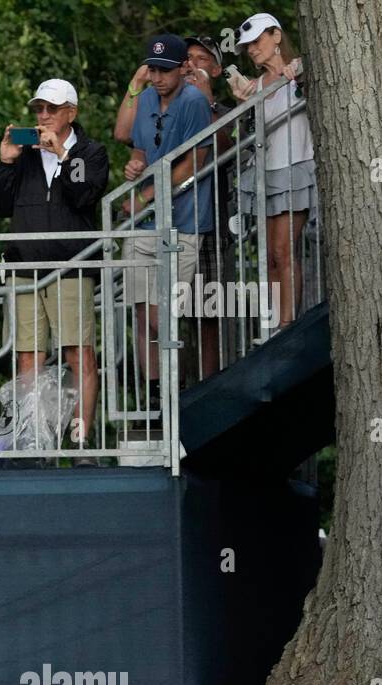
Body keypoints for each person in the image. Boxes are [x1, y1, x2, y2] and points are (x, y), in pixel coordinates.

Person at [0, 80, 110, 455]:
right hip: (25, 265)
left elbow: (85, 195)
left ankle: (80, 440)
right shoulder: (24, 154)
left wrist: (63, 157)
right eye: (39, 109)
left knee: (79, 353)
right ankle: (31, 441)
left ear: (71, 112)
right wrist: (5, 161)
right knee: (28, 356)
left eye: (51, 109)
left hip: (71, 266)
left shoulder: (91, 152)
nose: (43, 116)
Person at [119, 35, 214, 414]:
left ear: (182, 69)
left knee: (164, 313)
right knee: (142, 311)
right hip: (144, 225)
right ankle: (155, 395)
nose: (157, 76)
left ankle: (179, 391)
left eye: (164, 70)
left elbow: (195, 161)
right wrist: (135, 167)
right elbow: (127, 138)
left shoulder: (193, 101)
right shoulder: (144, 98)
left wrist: (143, 197)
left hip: (184, 222)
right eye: (152, 69)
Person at [233, 12, 314, 331]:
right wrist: (242, 106)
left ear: (276, 36)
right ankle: (274, 326)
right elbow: (248, 138)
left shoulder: (303, 67)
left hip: (294, 167)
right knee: (268, 255)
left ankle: (287, 326)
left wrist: (297, 74)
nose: (252, 49)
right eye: (247, 46)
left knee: (283, 250)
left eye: (256, 41)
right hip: (265, 172)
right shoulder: (254, 86)